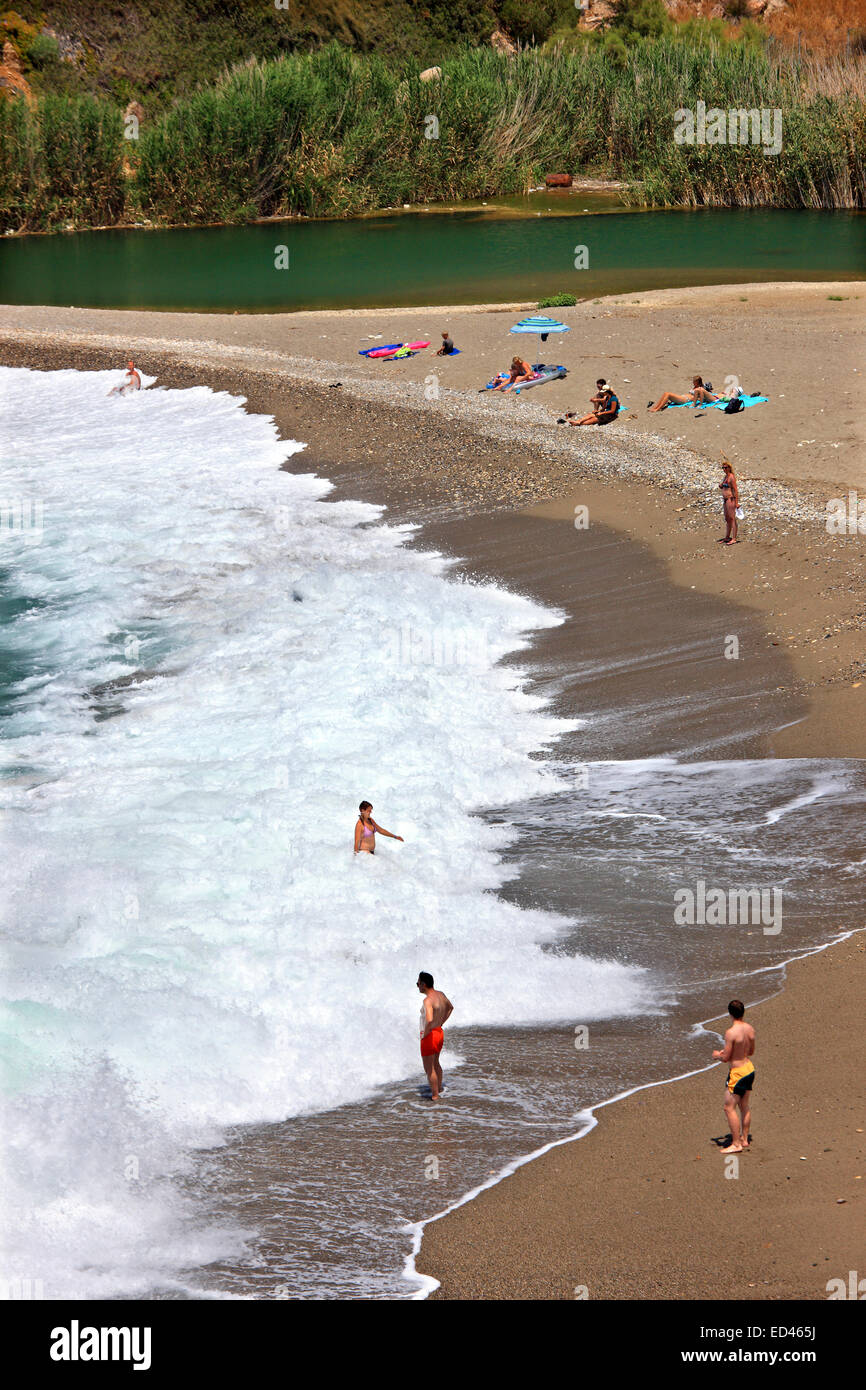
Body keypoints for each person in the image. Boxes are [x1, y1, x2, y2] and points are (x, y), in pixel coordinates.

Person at [712, 999, 755, 1154]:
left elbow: (725, 1058)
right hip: (749, 1069)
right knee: (744, 1105)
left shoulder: (731, 1033)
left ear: (730, 1013)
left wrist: (717, 1055)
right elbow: (751, 1051)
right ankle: (744, 1139)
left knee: (729, 1108)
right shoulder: (749, 1028)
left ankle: (736, 1144)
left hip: (737, 1073)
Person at [417, 971, 453, 1101]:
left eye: (418, 983)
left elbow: (430, 1019)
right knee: (436, 1063)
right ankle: (439, 1088)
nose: (417, 986)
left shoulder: (427, 1000)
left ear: (424, 984)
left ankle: (435, 1096)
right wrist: (442, 1021)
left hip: (430, 1035)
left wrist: (425, 1033)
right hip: (439, 1032)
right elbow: (450, 1008)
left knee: (429, 1067)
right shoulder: (441, 995)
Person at [648, 376, 718, 412]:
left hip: (685, 400)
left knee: (668, 394)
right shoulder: (695, 387)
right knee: (666, 393)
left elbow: (701, 398)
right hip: (683, 397)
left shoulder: (700, 389)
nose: (693, 382)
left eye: (694, 381)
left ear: (698, 382)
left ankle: (657, 409)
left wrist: (698, 402)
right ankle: (655, 407)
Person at [718, 461, 740, 546]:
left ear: (729, 468)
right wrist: (721, 485)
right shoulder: (725, 477)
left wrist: (736, 502)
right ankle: (727, 537)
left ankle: (734, 538)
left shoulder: (731, 477)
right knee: (727, 519)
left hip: (730, 500)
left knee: (732, 519)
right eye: (723, 468)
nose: (724, 469)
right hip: (725, 500)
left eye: (726, 467)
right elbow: (725, 486)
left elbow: (735, 490)